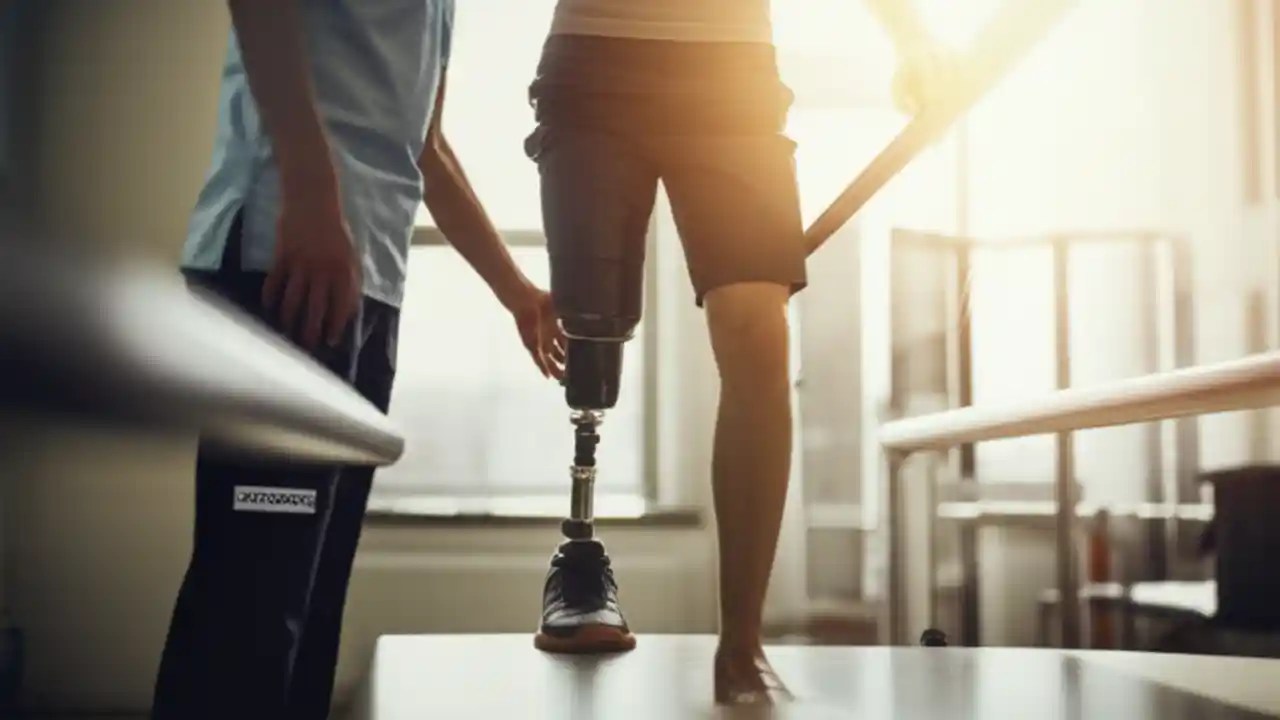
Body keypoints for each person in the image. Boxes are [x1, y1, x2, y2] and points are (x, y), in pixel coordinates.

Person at [524, 0, 959, 704]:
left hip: (728, 74)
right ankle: (579, 559)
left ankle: (742, 644)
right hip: (595, 64)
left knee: (759, 332)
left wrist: (910, 37)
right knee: (591, 329)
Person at [152, 1, 562, 718]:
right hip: (282, 262)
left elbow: (424, 148)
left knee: (307, 606)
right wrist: (310, 194)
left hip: (368, 285)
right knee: (252, 604)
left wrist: (517, 292)